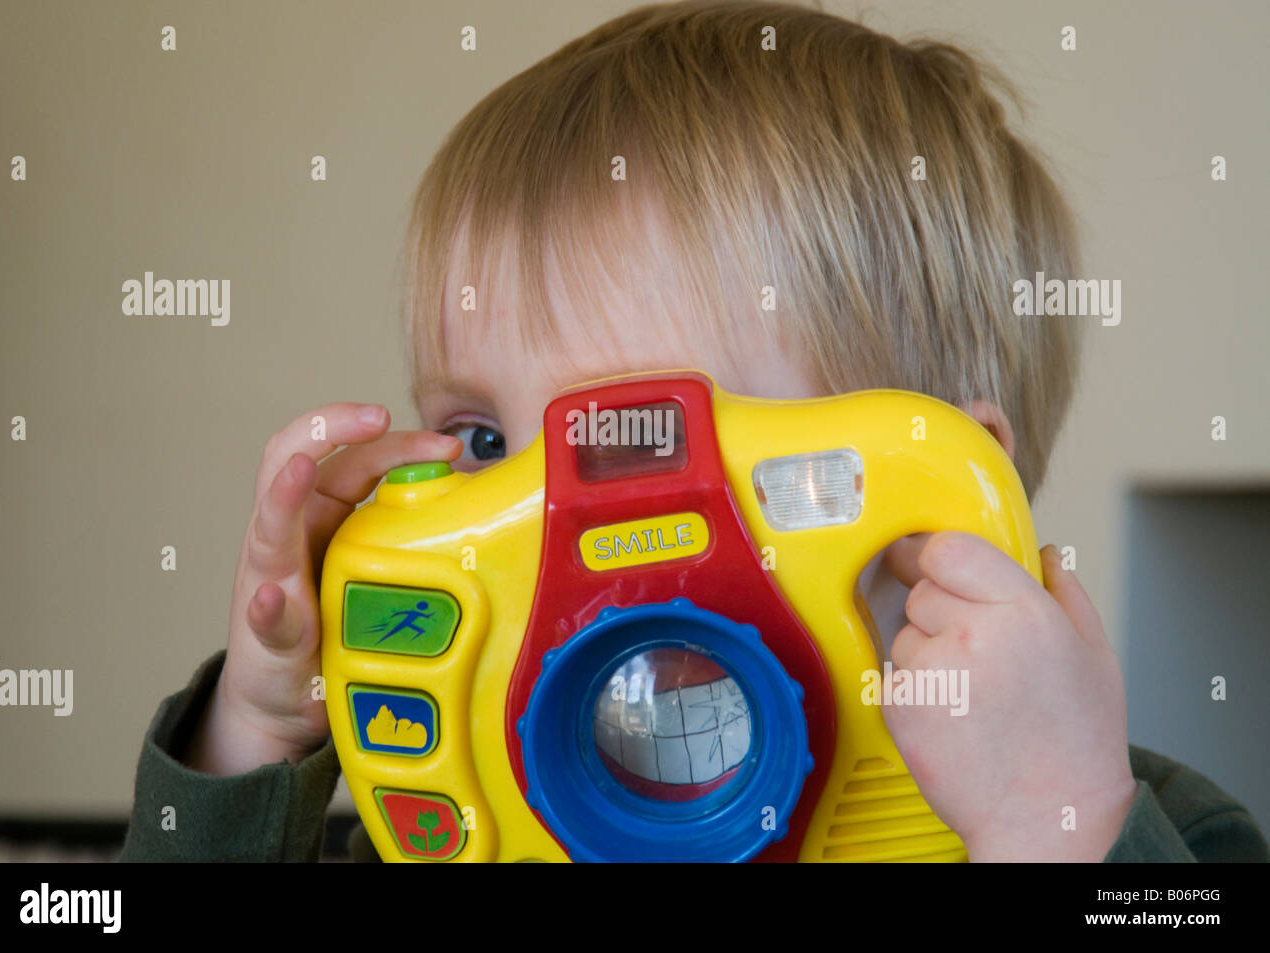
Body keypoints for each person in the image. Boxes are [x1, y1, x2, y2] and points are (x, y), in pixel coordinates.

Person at [120, 0, 1268, 862]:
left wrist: (1052, 822)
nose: (557, 525)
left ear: (939, 504)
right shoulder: (459, 814)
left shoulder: (1139, 824)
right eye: (482, 443)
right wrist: (256, 732)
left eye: (640, 443)